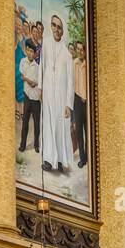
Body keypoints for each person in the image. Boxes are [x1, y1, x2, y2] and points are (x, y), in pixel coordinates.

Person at [39, 14, 74, 173]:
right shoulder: (45, 43)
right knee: (48, 125)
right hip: (47, 93)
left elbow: (70, 82)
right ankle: (47, 160)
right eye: (54, 25)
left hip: (60, 97)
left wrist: (68, 104)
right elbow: (42, 66)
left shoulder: (67, 54)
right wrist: (40, 87)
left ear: (63, 30)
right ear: (51, 25)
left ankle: (59, 160)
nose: (56, 29)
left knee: (60, 128)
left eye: (59, 27)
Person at [18, 40, 42, 153]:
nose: (30, 53)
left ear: (35, 53)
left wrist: (30, 81)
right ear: (26, 51)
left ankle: (36, 145)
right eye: (28, 50)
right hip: (27, 96)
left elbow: (36, 83)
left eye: (32, 51)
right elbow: (22, 76)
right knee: (25, 122)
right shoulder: (23, 61)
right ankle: (22, 145)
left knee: (37, 124)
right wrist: (29, 80)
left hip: (36, 98)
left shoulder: (37, 67)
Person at [71, 42, 88, 169]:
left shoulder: (88, 64)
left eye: (82, 50)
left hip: (87, 102)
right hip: (77, 100)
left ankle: (88, 155)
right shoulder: (74, 63)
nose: (80, 52)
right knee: (78, 131)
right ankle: (82, 158)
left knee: (88, 130)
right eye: (78, 49)